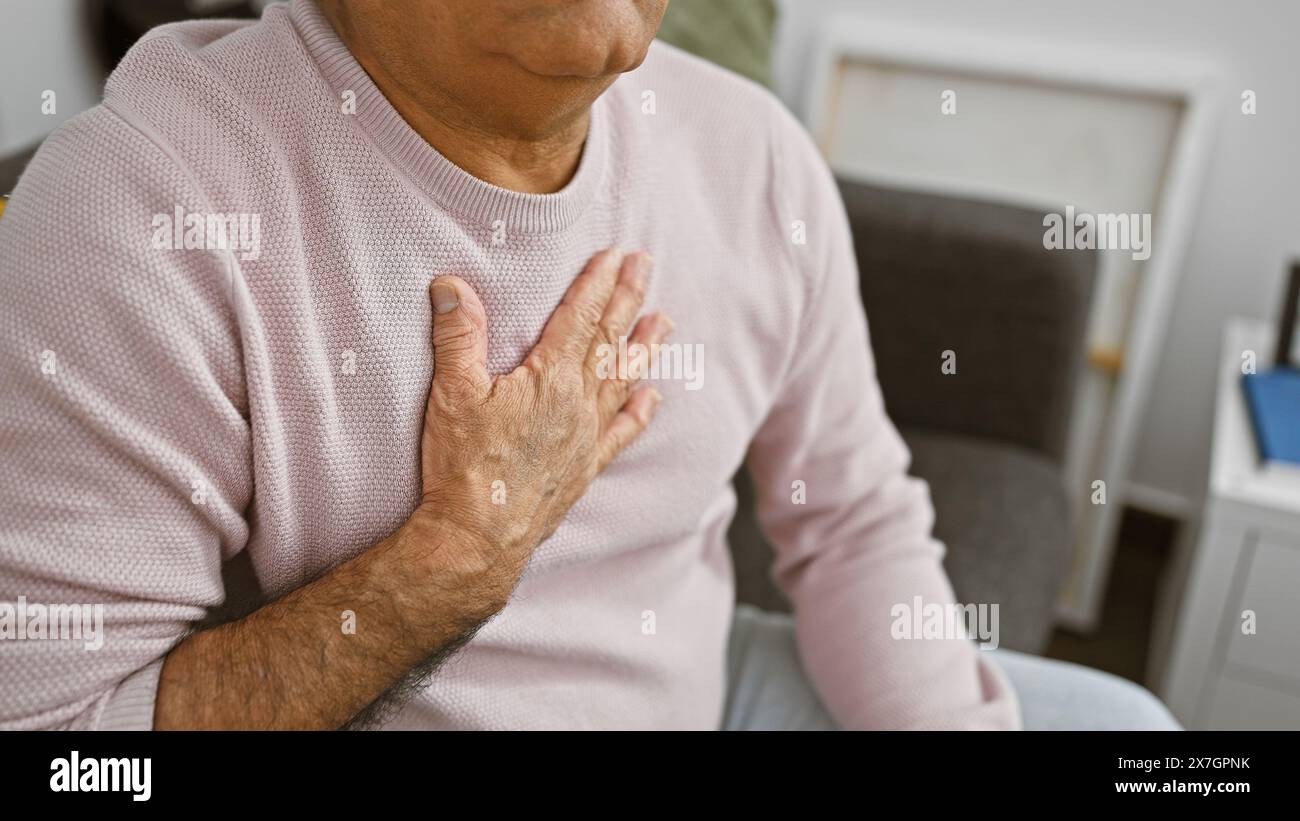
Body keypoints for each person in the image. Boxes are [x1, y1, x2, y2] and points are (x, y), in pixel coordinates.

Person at [0, 0, 1177, 730]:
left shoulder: (752, 155)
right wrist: (456, 557)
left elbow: (856, 518)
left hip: (707, 692)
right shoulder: (140, 205)